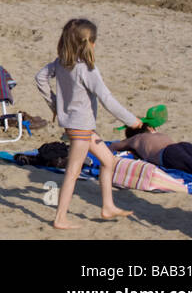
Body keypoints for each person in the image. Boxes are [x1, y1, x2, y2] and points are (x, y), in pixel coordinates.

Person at [34, 18, 143, 229]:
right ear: (90, 43)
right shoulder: (87, 69)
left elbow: (40, 78)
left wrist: (55, 106)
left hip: (78, 126)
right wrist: (132, 121)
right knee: (73, 172)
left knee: (108, 161)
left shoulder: (61, 62)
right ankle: (60, 218)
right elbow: (107, 99)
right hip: (81, 127)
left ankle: (108, 207)